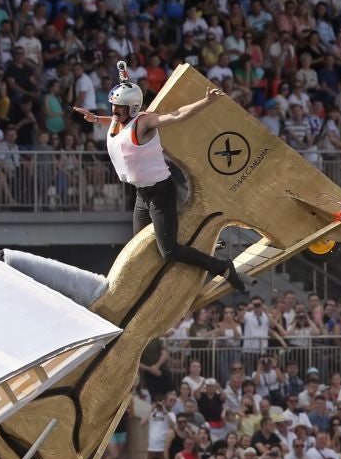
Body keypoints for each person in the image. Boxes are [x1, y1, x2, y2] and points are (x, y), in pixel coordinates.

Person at [73, 61, 246, 292]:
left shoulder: (144, 122)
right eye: (113, 105)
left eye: (119, 107)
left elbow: (177, 115)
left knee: (170, 251)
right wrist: (96, 119)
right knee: (140, 247)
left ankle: (222, 267)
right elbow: (115, 122)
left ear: (133, 108)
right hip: (142, 194)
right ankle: (198, 247)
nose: (114, 111)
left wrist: (206, 101)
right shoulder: (117, 120)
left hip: (160, 192)